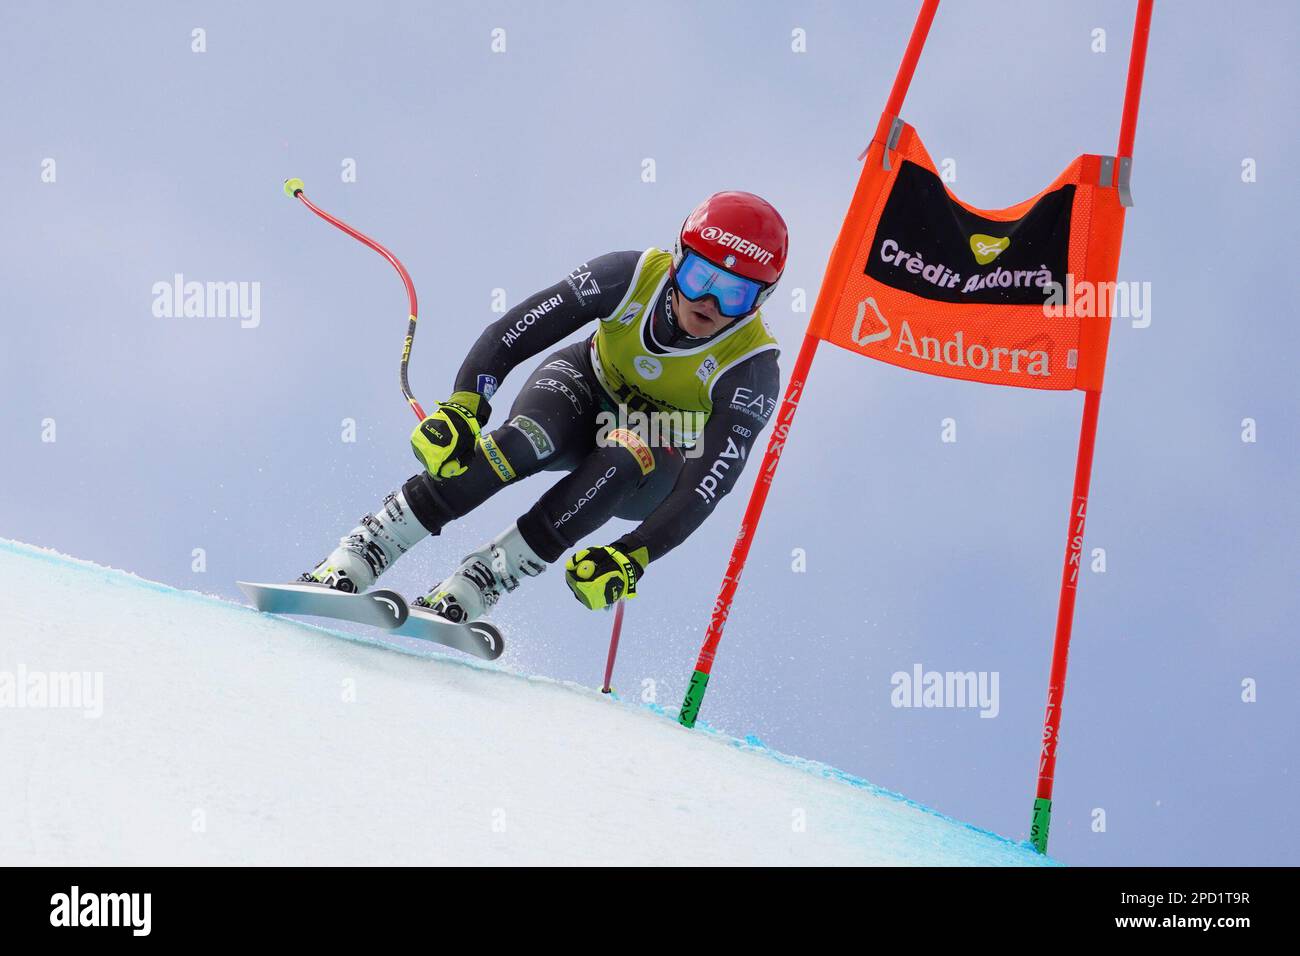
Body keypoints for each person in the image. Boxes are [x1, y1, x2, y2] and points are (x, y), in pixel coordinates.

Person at [302, 191, 787, 623]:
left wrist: (631, 555)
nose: (708, 301)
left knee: (628, 449)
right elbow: (513, 332)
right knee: (526, 439)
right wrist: (465, 406)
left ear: (760, 301)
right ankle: (369, 546)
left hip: (653, 456)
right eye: (701, 276)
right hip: (582, 386)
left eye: (734, 293)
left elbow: (709, 484)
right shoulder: (629, 275)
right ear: (678, 259)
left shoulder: (751, 368)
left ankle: (485, 579)